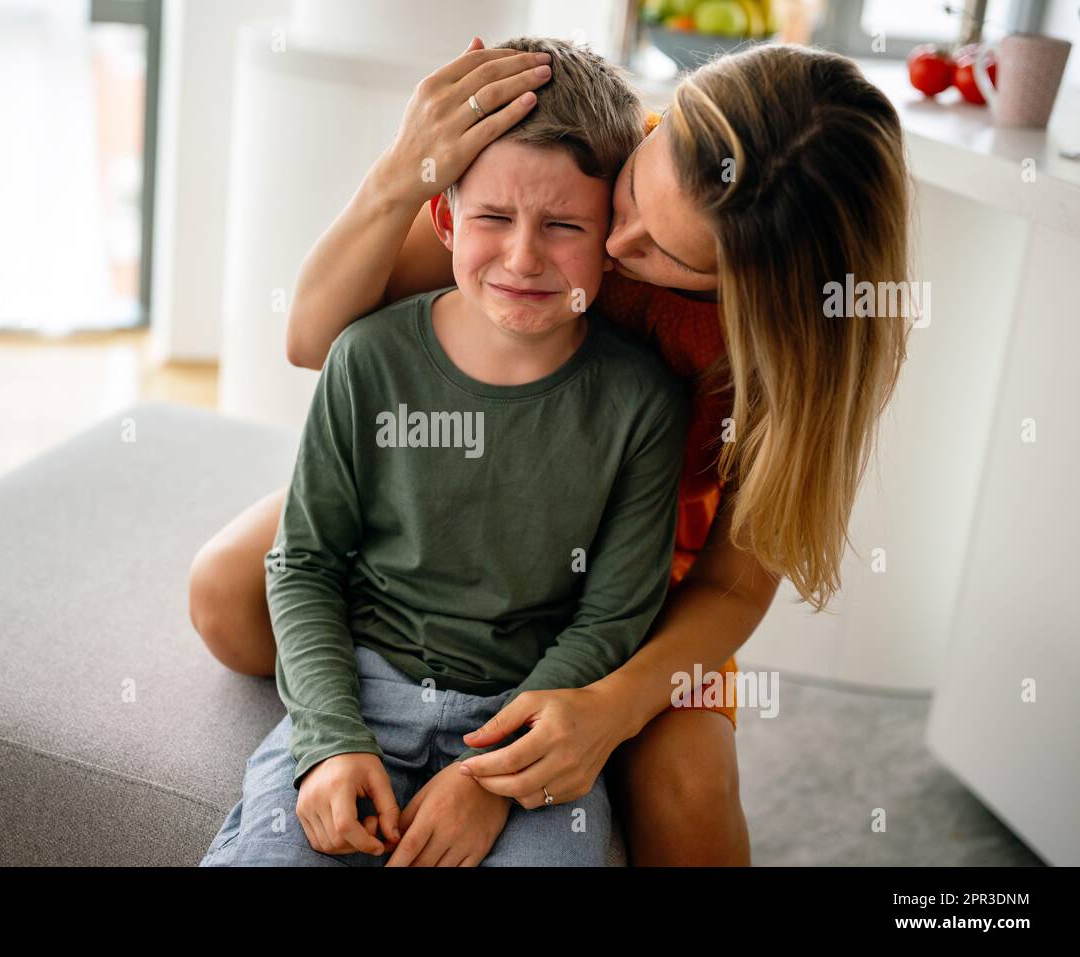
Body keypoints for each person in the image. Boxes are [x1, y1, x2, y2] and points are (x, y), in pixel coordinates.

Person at [190, 36, 912, 866]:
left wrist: (608, 707)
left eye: (664, 256)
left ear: (755, 297)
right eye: (633, 195)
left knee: (689, 796)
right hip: (447, 490)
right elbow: (318, 341)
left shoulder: (796, 358)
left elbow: (732, 586)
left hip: (645, 573)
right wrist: (402, 171)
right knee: (225, 596)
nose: (613, 243)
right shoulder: (572, 169)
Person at [202, 37, 689, 867]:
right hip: (364, 686)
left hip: (528, 720)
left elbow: (612, 615)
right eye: (494, 218)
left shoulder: (642, 403)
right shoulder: (368, 357)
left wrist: (491, 775)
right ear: (445, 218)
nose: (525, 257)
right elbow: (305, 561)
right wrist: (327, 741)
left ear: (613, 234)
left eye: (565, 225)